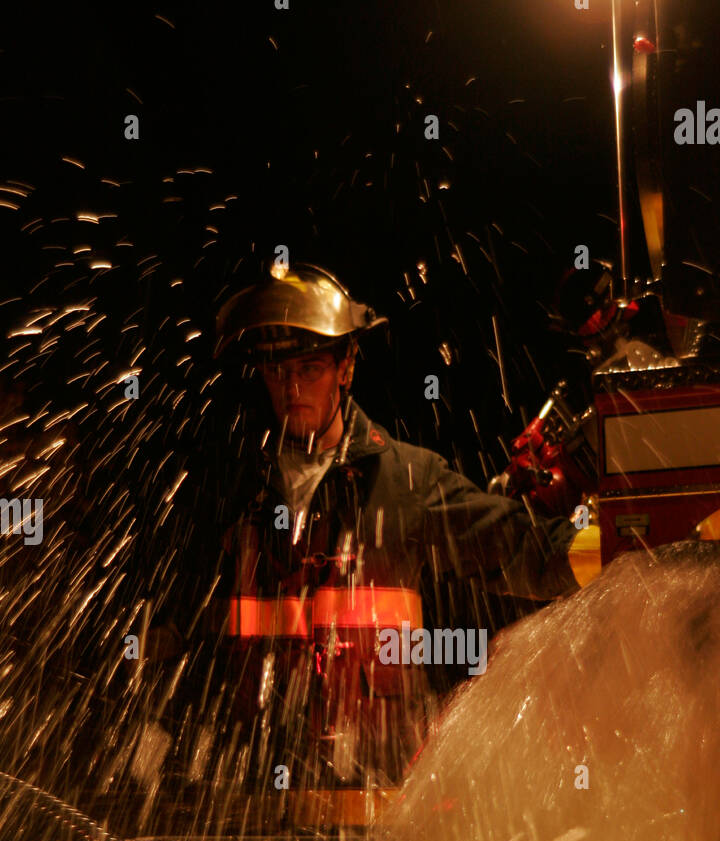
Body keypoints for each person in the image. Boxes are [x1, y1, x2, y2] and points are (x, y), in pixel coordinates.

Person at [137, 262, 586, 808]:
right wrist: (152, 736)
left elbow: (524, 548)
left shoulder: (406, 482)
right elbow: (177, 631)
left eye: (310, 368)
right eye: (279, 373)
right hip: (254, 801)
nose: (293, 387)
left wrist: (627, 542)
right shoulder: (233, 494)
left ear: (346, 365)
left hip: (382, 799)